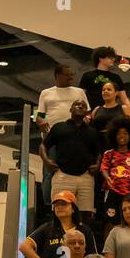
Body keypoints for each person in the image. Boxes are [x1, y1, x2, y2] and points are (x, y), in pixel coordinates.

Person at [38, 65, 90, 206]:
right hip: (53, 137)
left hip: (75, 137)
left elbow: (88, 111)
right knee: (50, 171)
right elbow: (39, 116)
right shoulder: (46, 93)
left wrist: (87, 119)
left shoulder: (79, 92)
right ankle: (49, 204)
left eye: (72, 74)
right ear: (57, 76)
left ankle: (72, 202)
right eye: (67, 75)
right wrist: (41, 121)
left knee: (73, 171)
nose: (71, 77)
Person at [44, 99, 101, 214]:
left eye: (83, 106)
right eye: (77, 104)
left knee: (85, 214)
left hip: (86, 177)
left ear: (86, 112)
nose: (80, 106)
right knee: (59, 213)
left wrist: (98, 164)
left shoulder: (92, 132)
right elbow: (43, 145)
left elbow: (99, 152)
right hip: (62, 176)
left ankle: (82, 233)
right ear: (70, 109)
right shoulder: (59, 127)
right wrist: (46, 160)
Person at [20, 192, 98, 258]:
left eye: (64, 204)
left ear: (73, 208)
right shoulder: (47, 228)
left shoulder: (84, 230)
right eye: (56, 205)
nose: (59, 207)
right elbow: (24, 247)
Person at [97, 116, 130, 238]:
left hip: (128, 194)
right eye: (118, 133)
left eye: (125, 133)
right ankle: (107, 250)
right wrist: (107, 177)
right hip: (112, 193)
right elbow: (103, 167)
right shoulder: (109, 153)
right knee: (110, 222)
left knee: (126, 222)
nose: (122, 136)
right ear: (114, 136)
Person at [78, 46, 130, 117]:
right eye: (110, 57)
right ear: (100, 58)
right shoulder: (87, 75)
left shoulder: (116, 77)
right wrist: (85, 112)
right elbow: (81, 96)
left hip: (113, 113)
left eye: (113, 57)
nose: (113, 59)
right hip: (92, 114)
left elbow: (124, 98)